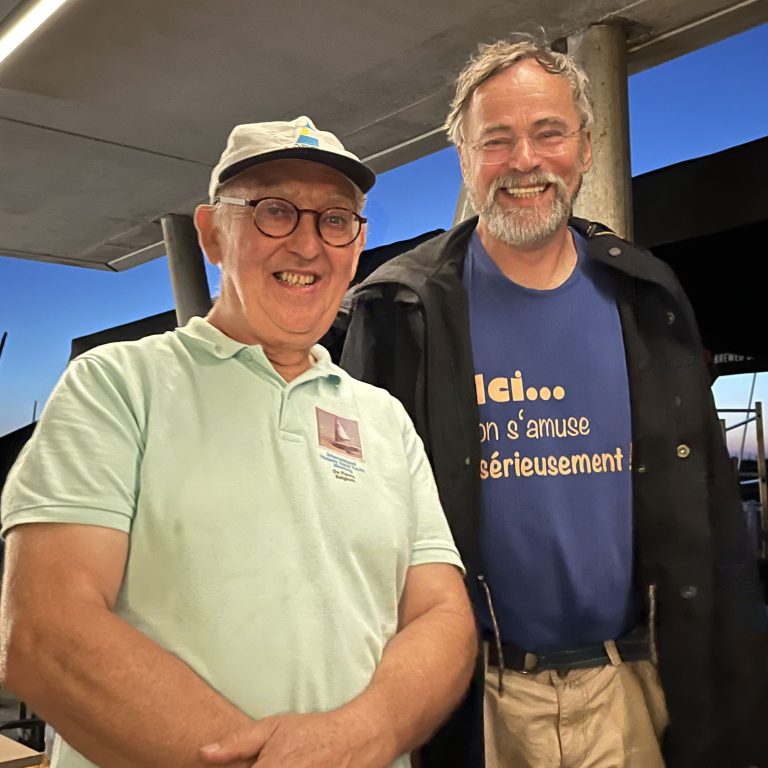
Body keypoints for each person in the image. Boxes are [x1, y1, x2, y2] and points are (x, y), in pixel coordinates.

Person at [0, 116, 477, 768]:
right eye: (274, 211)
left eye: (335, 220)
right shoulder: (116, 387)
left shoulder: (385, 421)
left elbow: (442, 619)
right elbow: (45, 632)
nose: (308, 245)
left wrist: (368, 731)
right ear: (210, 234)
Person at [341, 40, 766, 768]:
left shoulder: (647, 301)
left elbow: (712, 511)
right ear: (466, 160)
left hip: (630, 692)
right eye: (496, 140)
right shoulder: (398, 314)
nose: (524, 162)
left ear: (586, 147)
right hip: (475, 705)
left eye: (548, 133)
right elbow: (353, 521)